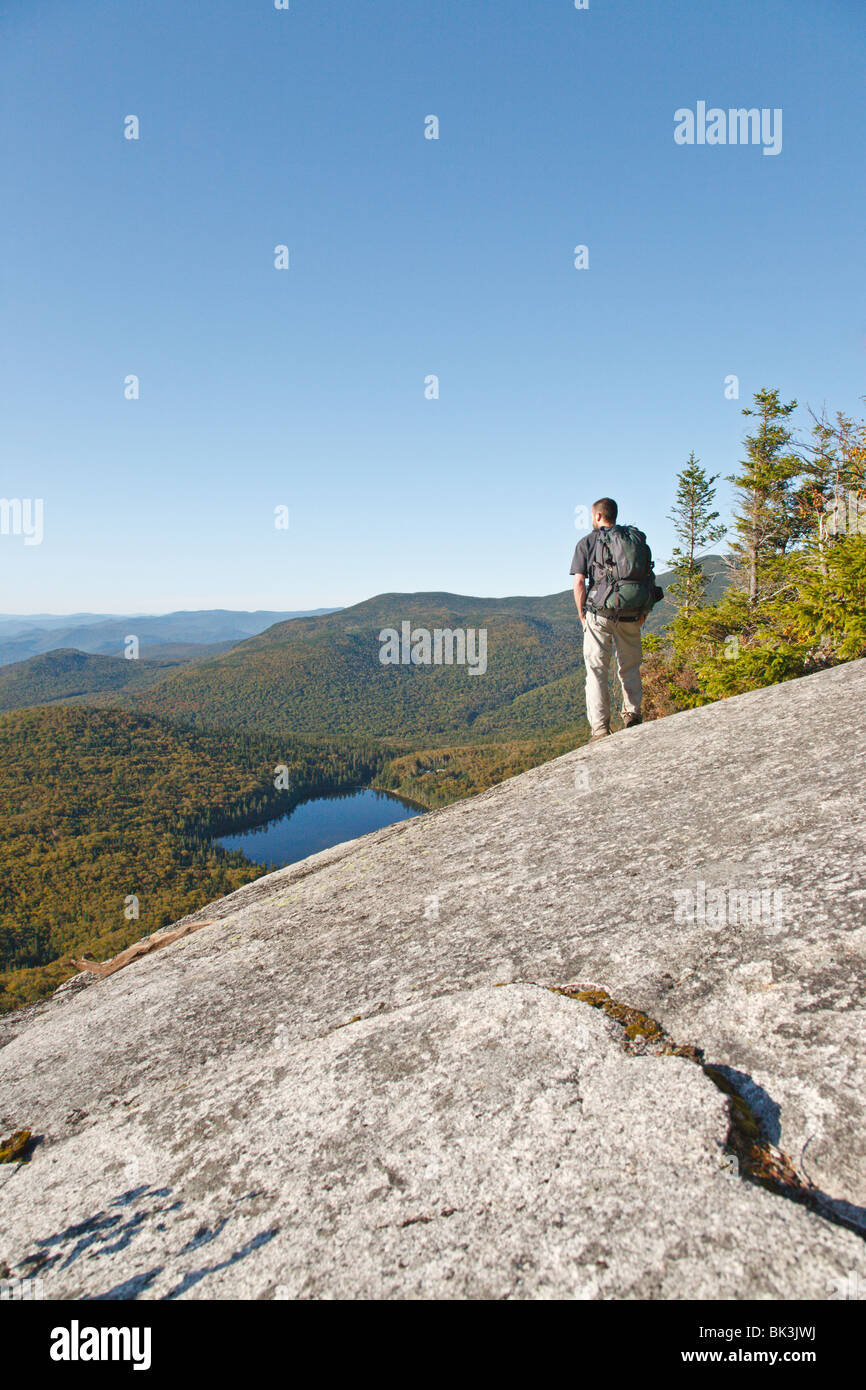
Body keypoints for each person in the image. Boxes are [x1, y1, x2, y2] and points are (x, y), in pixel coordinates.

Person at [570, 497, 653, 740]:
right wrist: (643, 610)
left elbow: (578, 583)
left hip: (600, 614)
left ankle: (600, 728)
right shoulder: (633, 540)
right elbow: (646, 575)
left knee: (596, 670)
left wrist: (582, 615)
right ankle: (633, 715)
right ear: (614, 515)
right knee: (630, 667)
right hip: (631, 612)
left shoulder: (587, 542)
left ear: (597, 516)